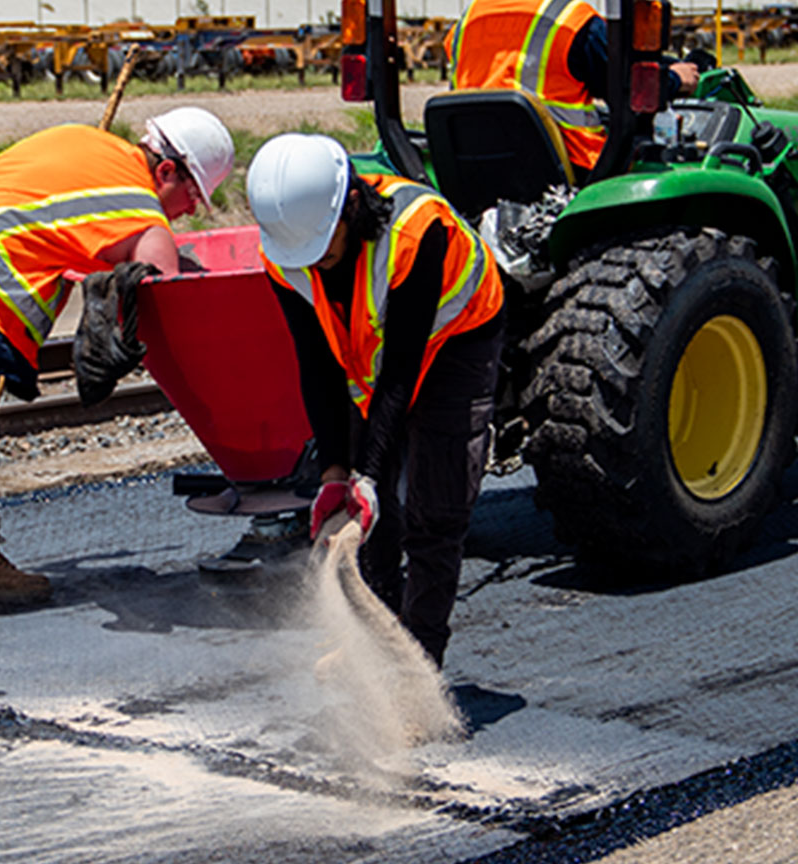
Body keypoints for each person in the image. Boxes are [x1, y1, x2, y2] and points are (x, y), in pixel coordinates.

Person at [0, 107, 234, 627]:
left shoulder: (91, 144)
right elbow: (170, 283)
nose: (191, 212)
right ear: (168, 171)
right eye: (193, 195)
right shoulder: (139, 207)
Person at [246, 133, 506, 668]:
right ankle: (377, 649)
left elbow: (401, 373)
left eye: (324, 253)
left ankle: (418, 668)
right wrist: (336, 474)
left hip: (456, 339)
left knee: (435, 512)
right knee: (372, 516)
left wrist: (366, 474)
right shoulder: (288, 250)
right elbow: (316, 363)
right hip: (378, 359)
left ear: (354, 207)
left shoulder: (416, 232)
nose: (315, 267)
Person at [443, 0, 700, 177]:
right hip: (570, 170)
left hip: (472, 169)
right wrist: (676, 79)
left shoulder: (467, 22)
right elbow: (629, 85)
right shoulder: (570, 21)